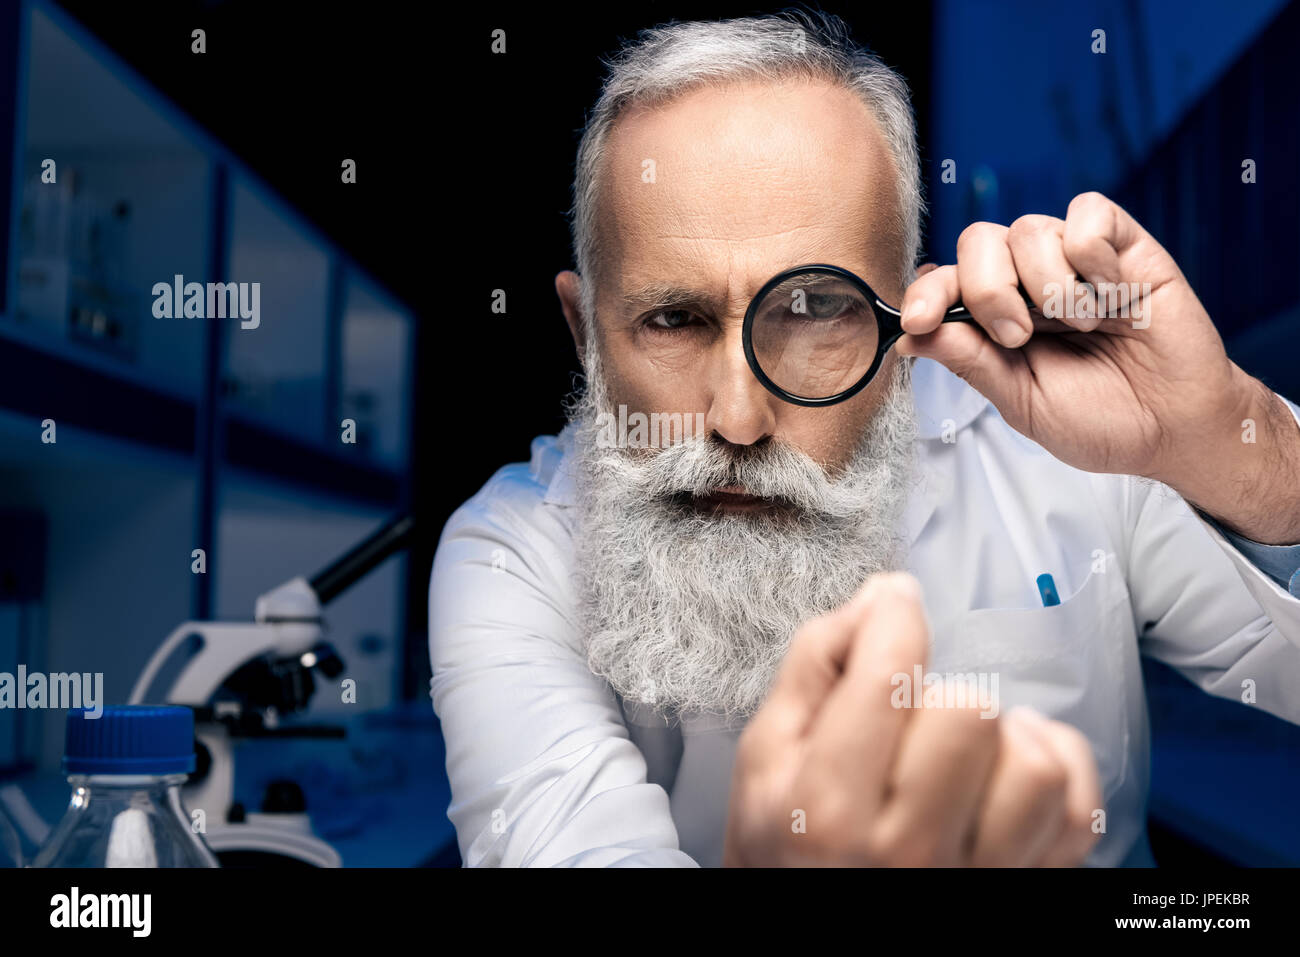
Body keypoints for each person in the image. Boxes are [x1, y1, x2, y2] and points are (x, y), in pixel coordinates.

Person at [429, 11, 1300, 866]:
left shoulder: (1079, 442)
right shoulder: (511, 552)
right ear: (585, 334)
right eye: (673, 319)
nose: (738, 419)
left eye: (813, 312)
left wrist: (1230, 436)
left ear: (909, 316)